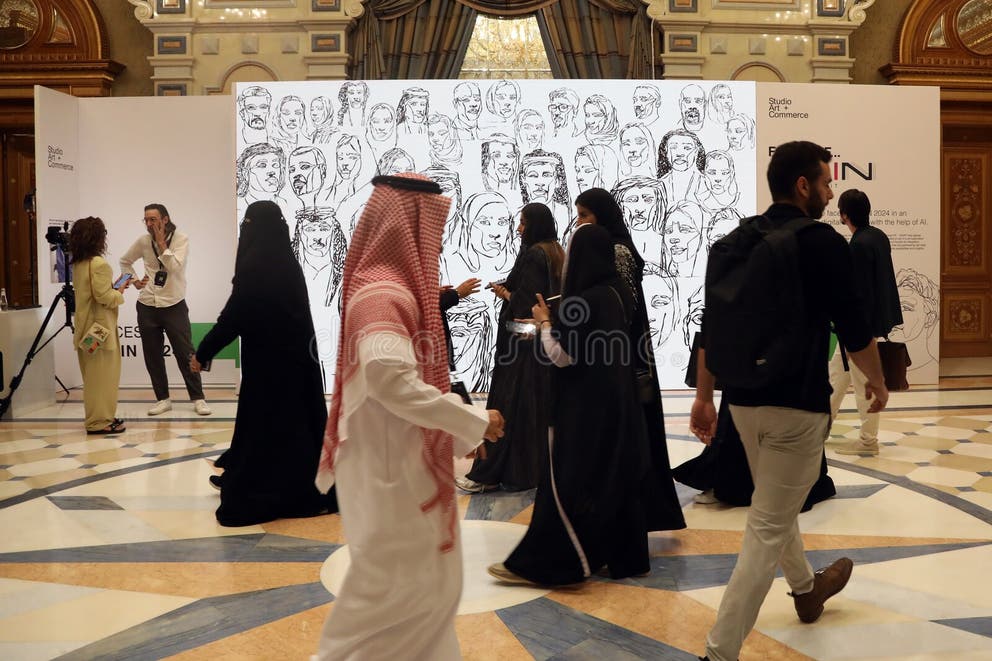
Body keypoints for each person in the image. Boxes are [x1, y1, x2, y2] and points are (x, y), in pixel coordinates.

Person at [690, 141, 889, 661]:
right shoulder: (821, 243)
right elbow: (854, 327)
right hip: (796, 406)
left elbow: (710, 326)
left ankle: (807, 590)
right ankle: (718, 652)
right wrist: (878, 381)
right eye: (825, 183)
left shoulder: (734, 241)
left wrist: (705, 397)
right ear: (802, 186)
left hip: (741, 402)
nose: (829, 192)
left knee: (773, 508)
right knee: (766, 527)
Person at [313, 174, 504, 660]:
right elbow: (387, 377)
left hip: (393, 466)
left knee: (418, 598)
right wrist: (472, 421)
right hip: (390, 474)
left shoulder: (386, 287)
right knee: (391, 602)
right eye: (429, 226)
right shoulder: (383, 293)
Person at [488, 224, 652, 586]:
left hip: (580, 413)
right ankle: (613, 556)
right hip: (614, 409)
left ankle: (552, 563)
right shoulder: (614, 292)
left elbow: (562, 357)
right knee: (607, 482)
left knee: (564, 485)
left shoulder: (581, 301)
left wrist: (546, 323)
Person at [190, 201, 336, 526]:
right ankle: (258, 477)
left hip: (269, 372)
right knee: (294, 433)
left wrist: (203, 352)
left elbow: (233, 317)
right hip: (296, 369)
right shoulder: (288, 262)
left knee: (267, 431)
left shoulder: (255, 267)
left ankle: (266, 489)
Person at [572, 188, 687, 535]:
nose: (579, 223)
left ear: (601, 216)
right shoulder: (613, 246)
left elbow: (621, 309)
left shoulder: (617, 251)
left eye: (584, 216)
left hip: (624, 355)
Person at [459, 203, 564, 493]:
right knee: (532, 410)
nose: (518, 229)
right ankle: (529, 471)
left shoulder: (533, 254)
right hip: (541, 344)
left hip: (520, 348)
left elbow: (525, 302)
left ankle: (491, 473)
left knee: (508, 406)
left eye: (522, 223)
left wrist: (504, 292)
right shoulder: (556, 251)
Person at [830, 189, 903, 456]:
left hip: (860, 330)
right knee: (836, 376)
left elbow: (859, 293)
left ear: (844, 214)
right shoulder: (878, 237)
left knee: (862, 385)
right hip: (868, 325)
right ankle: (819, 430)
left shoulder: (859, 245)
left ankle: (868, 441)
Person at [120, 203, 210, 416]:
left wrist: (162, 244)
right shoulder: (143, 241)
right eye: (146, 220)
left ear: (165, 219)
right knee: (153, 355)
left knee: (185, 352)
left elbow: (175, 267)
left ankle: (198, 398)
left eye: (153, 219)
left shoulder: (181, 239)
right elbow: (124, 261)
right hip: (147, 305)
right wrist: (133, 280)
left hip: (174, 304)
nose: (149, 224)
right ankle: (163, 398)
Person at [70, 216, 130, 435]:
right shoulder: (99, 264)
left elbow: (93, 294)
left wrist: (112, 290)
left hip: (86, 328)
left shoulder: (79, 263)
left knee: (94, 377)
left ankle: (102, 416)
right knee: (103, 378)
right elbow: (105, 297)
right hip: (100, 330)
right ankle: (98, 422)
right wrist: (119, 292)